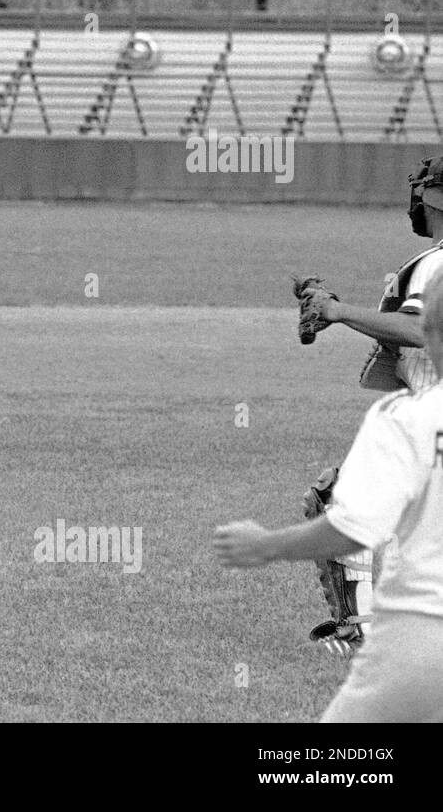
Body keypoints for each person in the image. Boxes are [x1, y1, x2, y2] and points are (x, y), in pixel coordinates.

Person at [213, 269, 443, 722]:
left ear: (430, 336)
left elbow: (352, 528)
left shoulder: (404, 417)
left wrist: (265, 545)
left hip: (422, 635)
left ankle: (354, 623)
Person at [294, 154, 443, 653]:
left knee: (338, 500)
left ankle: (360, 627)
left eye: (423, 189)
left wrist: (335, 311)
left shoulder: (435, 262)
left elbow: (416, 330)